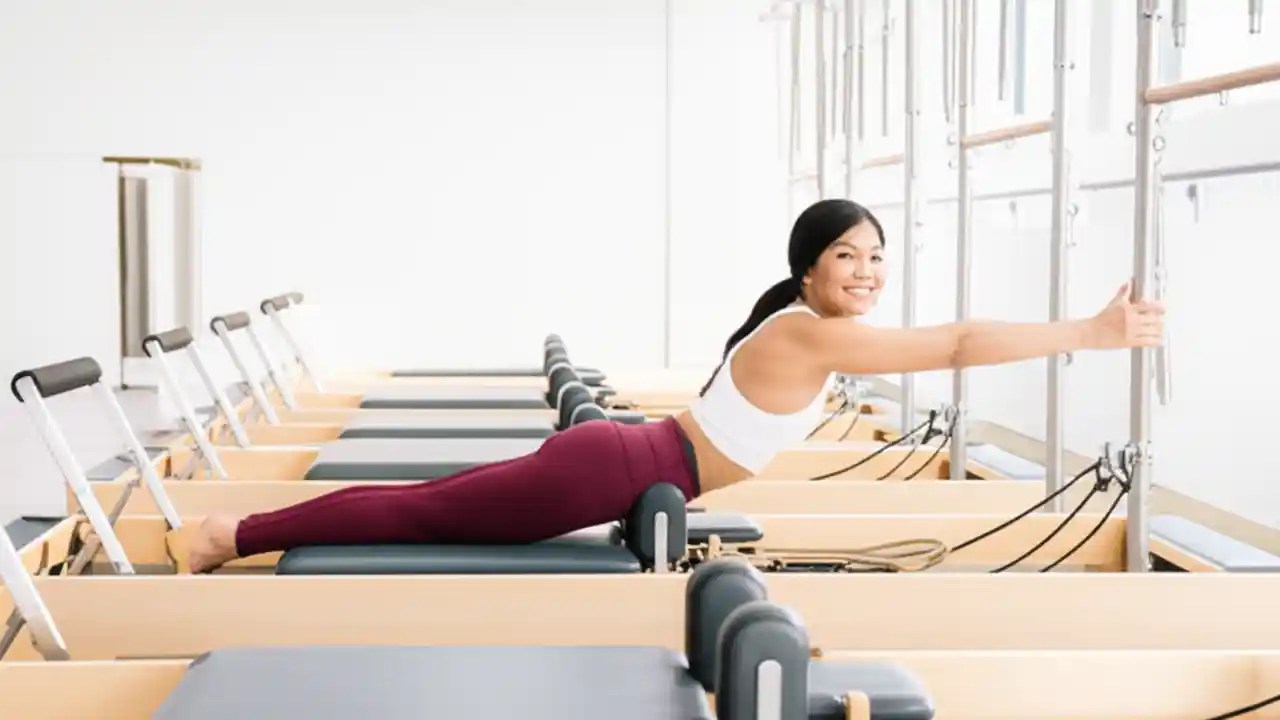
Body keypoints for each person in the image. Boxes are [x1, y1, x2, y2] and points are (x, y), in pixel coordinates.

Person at [187, 199, 1164, 572]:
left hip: (621, 460)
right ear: (808, 269)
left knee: (426, 507)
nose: (864, 272)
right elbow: (951, 342)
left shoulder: (806, 328)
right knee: (421, 515)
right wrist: (1084, 332)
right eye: (843, 257)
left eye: (874, 256)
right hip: (609, 470)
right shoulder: (809, 336)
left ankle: (230, 536)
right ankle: (227, 536)